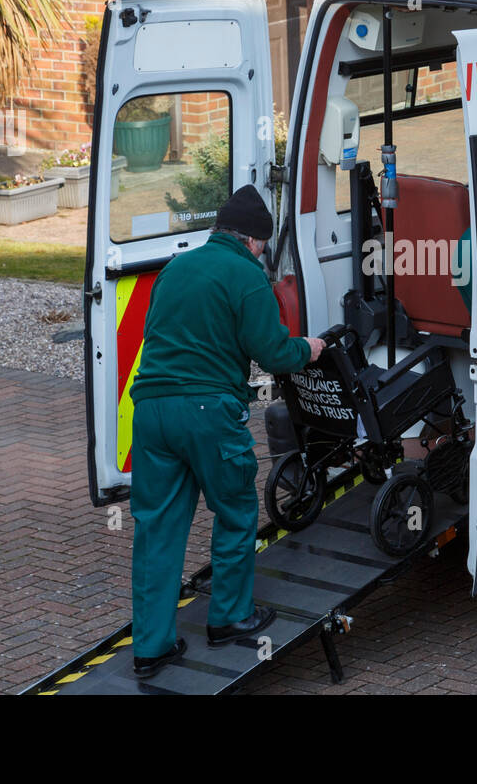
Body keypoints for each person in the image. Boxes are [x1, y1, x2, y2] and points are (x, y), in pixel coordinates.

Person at [128, 185, 325, 678]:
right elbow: (274, 353)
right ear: (255, 242)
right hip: (207, 411)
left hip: (150, 411)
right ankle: (231, 618)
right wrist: (310, 348)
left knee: (157, 528)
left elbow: (158, 335)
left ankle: (150, 648)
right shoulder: (246, 276)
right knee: (235, 510)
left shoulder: (174, 269)